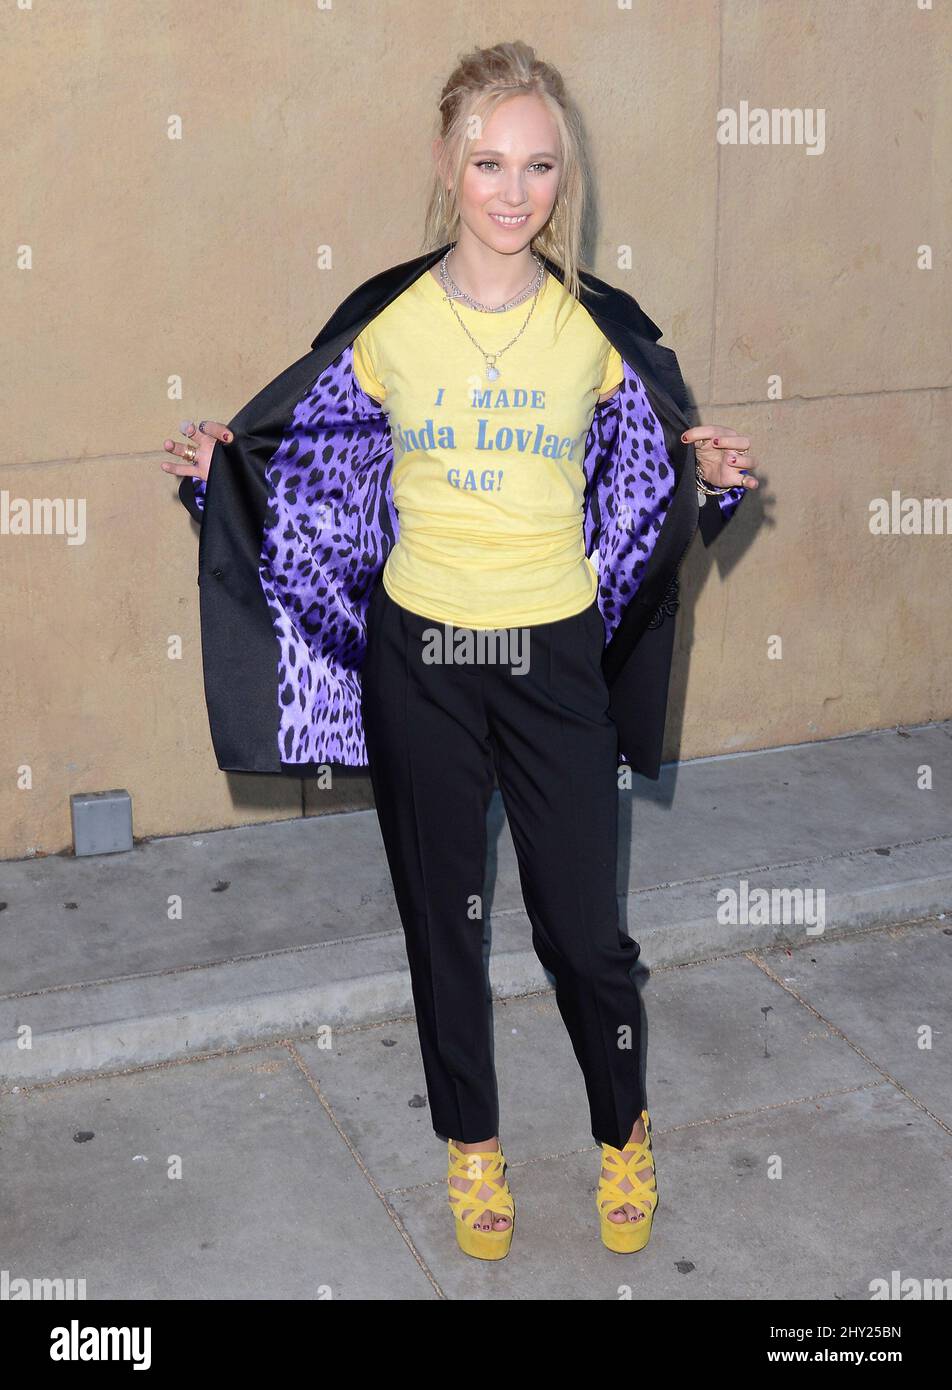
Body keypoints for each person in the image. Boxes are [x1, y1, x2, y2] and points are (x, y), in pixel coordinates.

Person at [161, 40, 758, 1261]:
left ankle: (622, 1130)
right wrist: (223, 475)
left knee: (585, 931)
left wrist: (708, 482)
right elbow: (305, 466)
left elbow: (650, 478)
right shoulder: (386, 326)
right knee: (445, 918)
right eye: (489, 160)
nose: (513, 189)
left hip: (554, 663)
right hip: (418, 662)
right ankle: (472, 1151)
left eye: (539, 165)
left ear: (562, 178)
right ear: (447, 164)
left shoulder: (598, 332)